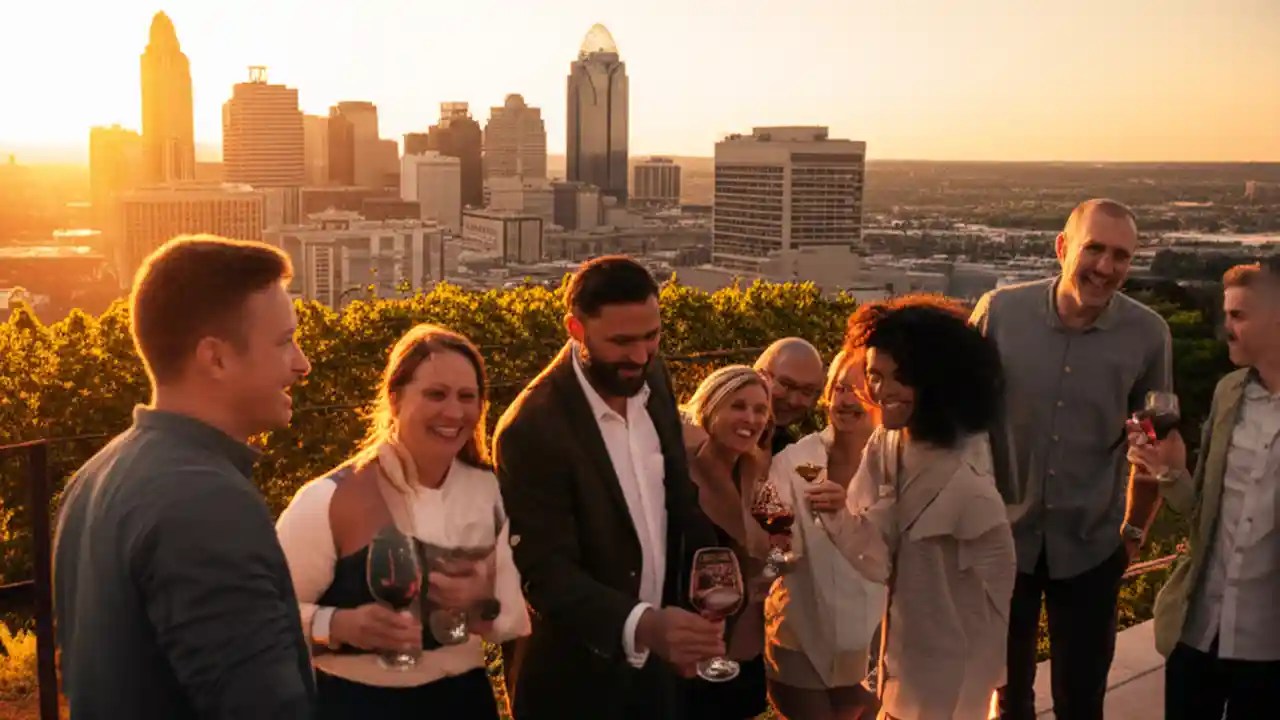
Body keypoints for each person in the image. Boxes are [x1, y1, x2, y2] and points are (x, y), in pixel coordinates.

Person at [52, 235, 316, 719]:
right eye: (285, 342)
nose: (302, 363)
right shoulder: (206, 503)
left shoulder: (92, 480)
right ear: (214, 357)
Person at [493, 255, 723, 719]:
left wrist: (707, 593)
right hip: (573, 684)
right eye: (621, 342)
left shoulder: (653, 376)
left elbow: (678, 501)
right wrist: (644, 626)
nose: (640, 356)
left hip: (657, 676)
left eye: (651, 337)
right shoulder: (529, 429)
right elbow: (545, 572)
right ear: (575, 330)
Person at [970, 198, 1173, 720]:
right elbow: (955, 416)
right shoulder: (1000, 313)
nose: (1106, 268)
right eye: (1094, 249)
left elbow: (1152, 443)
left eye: (1121, 256)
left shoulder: (1149, 335)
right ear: (1063, 248)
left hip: (1091, 547)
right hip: (998, 541)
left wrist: (1133, 532)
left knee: (1081, 702)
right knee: (1006, 695)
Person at [275, 324, 530, 718]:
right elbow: (263, 618)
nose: (454, 411)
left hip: (464, 702)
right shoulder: (328, 499)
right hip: (358, 704)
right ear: (394, 399)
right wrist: (338, 624)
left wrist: (481, 604)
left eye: (467, 396)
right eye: (435, 394)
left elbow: (510, 622)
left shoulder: (488, 492)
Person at [824, 295, 1015, 720]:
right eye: (875, 375)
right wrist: (837, 514)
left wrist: (995, 684)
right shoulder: (887, 441)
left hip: (952, 675)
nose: (881, 391)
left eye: (900, 378)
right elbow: (877, 557)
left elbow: (997, 590)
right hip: (899, 661)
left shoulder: (971, 473)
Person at [1128, 263, 1280, 719]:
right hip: (1198, 631)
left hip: (1269, 645)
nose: (1225, 329)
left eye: (1238, 316)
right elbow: (1201, 516)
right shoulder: (1228, 393)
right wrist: (1168, 471)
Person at [765, 350, 886, 720]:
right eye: (839, 388)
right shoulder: (797, 460)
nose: (846, 400)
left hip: (873, 644)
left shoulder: (898, 466)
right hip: (801, 635)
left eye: (861, 391)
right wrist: (774, 548)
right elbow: (770, 530)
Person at [679, 365, 776, 719]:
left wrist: (769, 572)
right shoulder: (678, 474)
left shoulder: (758, 476)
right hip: (685, 645)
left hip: (742, 647)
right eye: (737, 406)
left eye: (760, 409)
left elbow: (783, 545)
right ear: (710, 408)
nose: (750, 418)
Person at [755, 338, 827, 454]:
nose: (793, 401)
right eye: (786, 385)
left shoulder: (786, 447)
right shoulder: (727, 434)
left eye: (806, 391)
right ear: (761, 375)